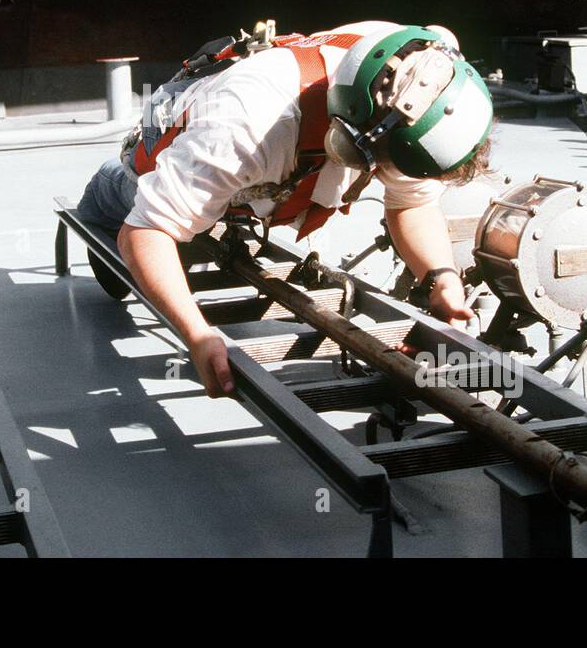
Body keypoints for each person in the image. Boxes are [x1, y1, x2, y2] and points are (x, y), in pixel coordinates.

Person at [77, 21, 494, 398]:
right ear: (353, 141)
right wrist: (197, 334)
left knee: (208, 210)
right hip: (171, 137)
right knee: (125, 195)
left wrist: (441, 277)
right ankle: (105, 182)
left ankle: (211, 205)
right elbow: (146, 230)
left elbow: (412, 204)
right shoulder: (244, 125)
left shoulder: (416, 81)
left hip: (248, 169)